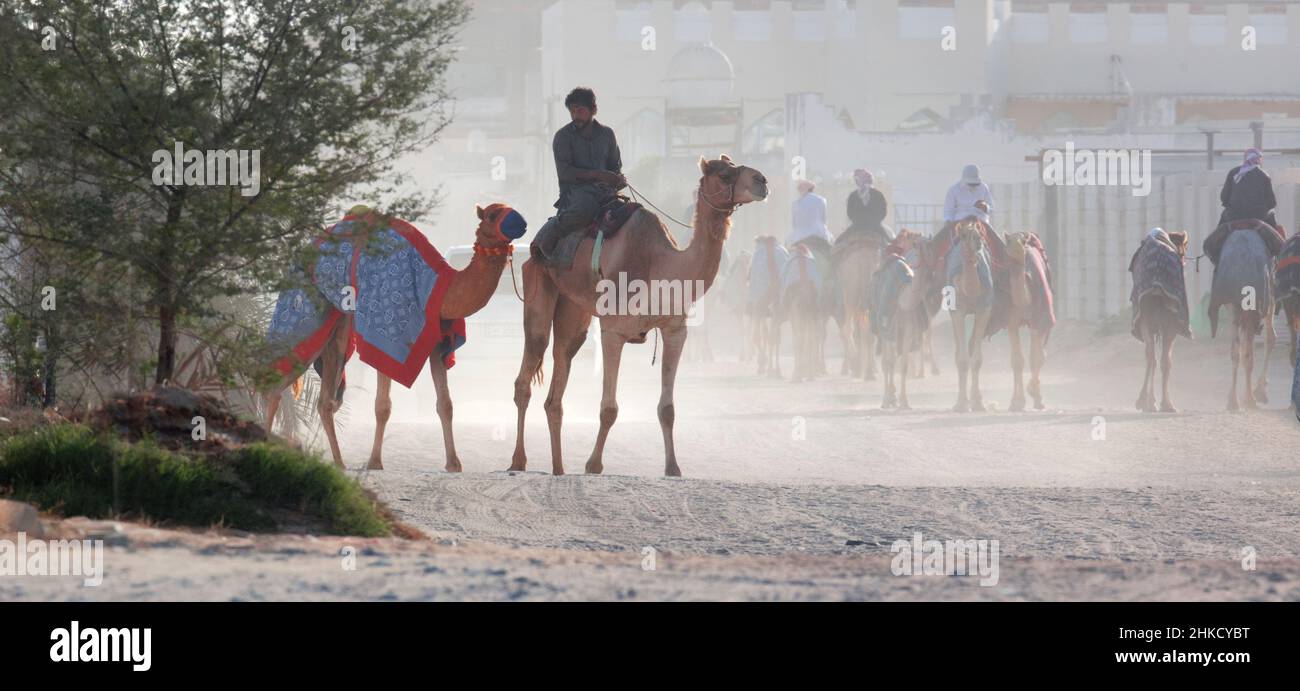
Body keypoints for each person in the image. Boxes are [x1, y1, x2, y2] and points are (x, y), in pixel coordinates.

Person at [533, 87, 626, 264]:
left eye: (580, 110)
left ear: (593, 110)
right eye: (572, 110)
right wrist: (599, 175)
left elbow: (615, 166)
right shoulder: (562, 137)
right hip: (576, 193)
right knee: (585, 209)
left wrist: (618, 178)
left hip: (606, 192)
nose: (576, 115)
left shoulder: (607, 134)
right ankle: (551, 234)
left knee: (632, 214)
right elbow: (566, 173)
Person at [1218, 148, 1278, 230]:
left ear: (1245, 158)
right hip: (1259, 216)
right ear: (1259, 159)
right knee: (1275, 233)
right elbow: (1272, 202)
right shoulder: (1264, 176)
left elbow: (1224, 197)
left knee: (1218, 234)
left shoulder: (1233, 172)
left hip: (1233, 216)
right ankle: (1278, 243)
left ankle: (1213, 243)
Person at [842, 168, 890, 245]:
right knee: (890, 243)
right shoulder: (878, 194)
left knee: (838, 243)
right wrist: (874, 221)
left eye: (856, 180)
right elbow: (883, 213)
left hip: (856, 227)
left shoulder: (853, 195)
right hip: (876, 227)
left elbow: (849, 213)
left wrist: (858, 221)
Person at [785, 179, 833, 252]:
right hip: (819, 233)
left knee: (786, 248)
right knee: (833, 249)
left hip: (798, 236)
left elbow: (794, 224)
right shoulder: (821, 200)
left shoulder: (795, 204)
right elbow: (824, 220)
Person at [943, 164, 994, 228]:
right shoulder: (954, 190)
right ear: (964, 180)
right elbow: (948, 210)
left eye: (975, 184)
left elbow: (992, 209)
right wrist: (948, 221)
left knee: (994, 237)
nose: (973, 186)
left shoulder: (984, 188)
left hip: (981, 222)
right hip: (959, 223)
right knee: (941, 236)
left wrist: (985, 207)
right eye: (970, 184)